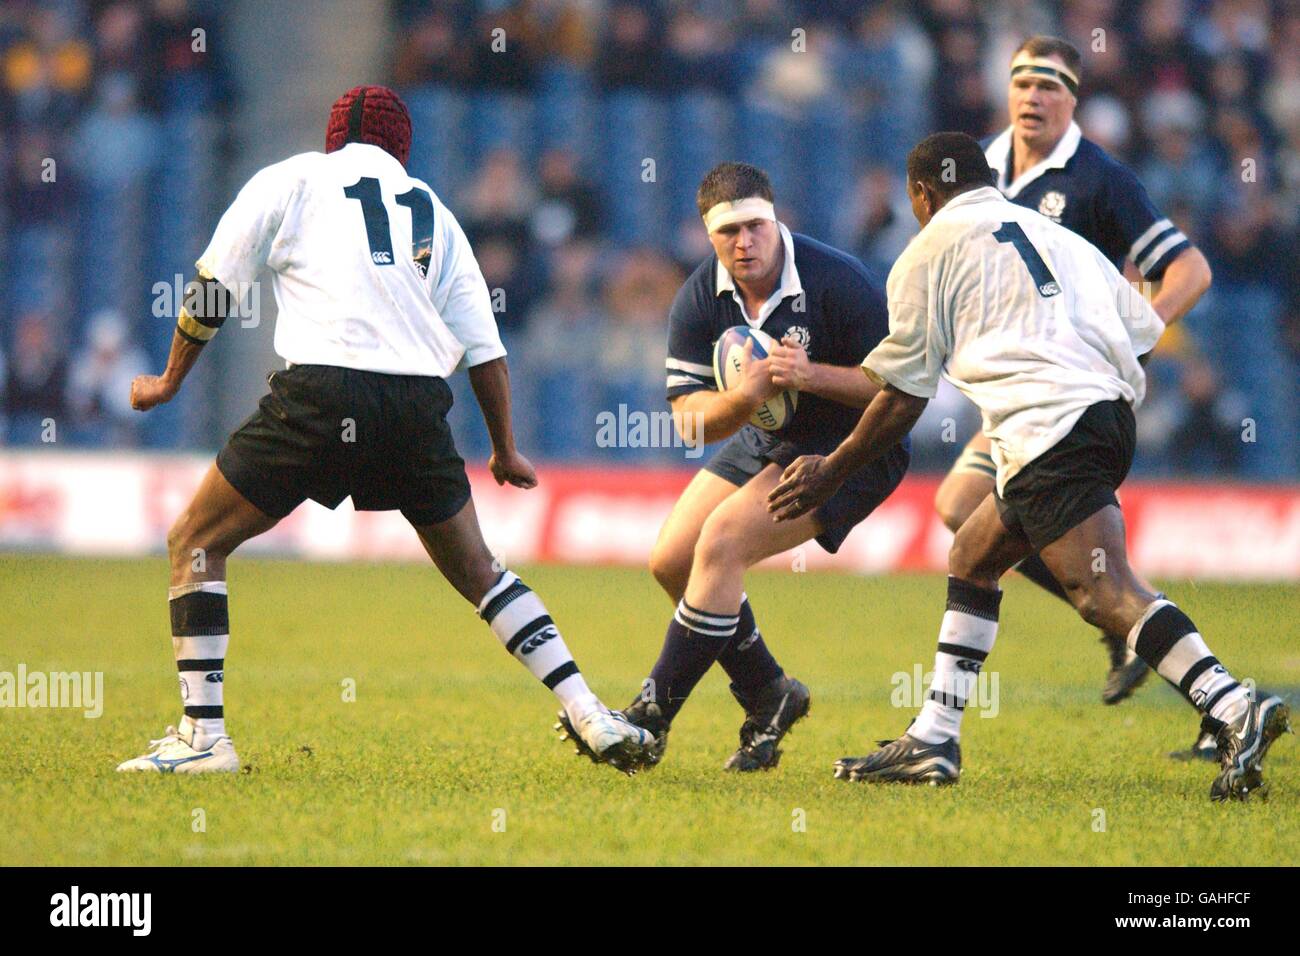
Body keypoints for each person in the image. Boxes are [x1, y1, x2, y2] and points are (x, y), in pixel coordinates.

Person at [116, 85, 654, 776]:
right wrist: (504, 446)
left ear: (334, 137)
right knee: (482, 573)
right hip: (413, 405)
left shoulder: (292, 178)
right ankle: (586, 709)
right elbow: (485, 349)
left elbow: (215, 287)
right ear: (403, 149)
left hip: (321, 391)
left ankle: (203, 739)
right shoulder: (434, 212)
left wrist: (169, 380)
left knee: (195, 539)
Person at [768, 132, 1288, 802]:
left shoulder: (927, 251)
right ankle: (934, 736)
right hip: (1103, 414)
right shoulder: (1057, 236)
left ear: (920, 195)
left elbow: (901, 398)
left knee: (1103, 592)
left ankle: (1232, 704)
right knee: (973, 554)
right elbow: (1141, 328)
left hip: (1049, 428)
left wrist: (831, 469)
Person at [559, 162, 907, 771]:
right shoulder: (699, 296)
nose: (744, 243)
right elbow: (691, 419)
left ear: (776, 221)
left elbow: (901, 391)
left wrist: (813, 375)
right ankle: (770, 693)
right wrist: (743, 399)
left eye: (755, 227)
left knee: (720, 543)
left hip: (851, 446)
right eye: (728, 233)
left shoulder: (839, 282)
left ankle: (650, 717)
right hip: (766, 438)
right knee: (670, 559)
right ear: (708, 234)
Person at [934, 37, 1215, 752]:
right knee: (962, 512)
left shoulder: (1100, 179)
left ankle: (1204, 690)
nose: (1033, 96)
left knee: (1024, 547)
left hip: (1069, 399)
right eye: (1023, 81)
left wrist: (1139, 328)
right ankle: (1162, 658)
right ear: (1006, 89)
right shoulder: (978, 169)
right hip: (1013, 395)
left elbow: (1190, 269)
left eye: (1051, 85)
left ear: (1075, 99)